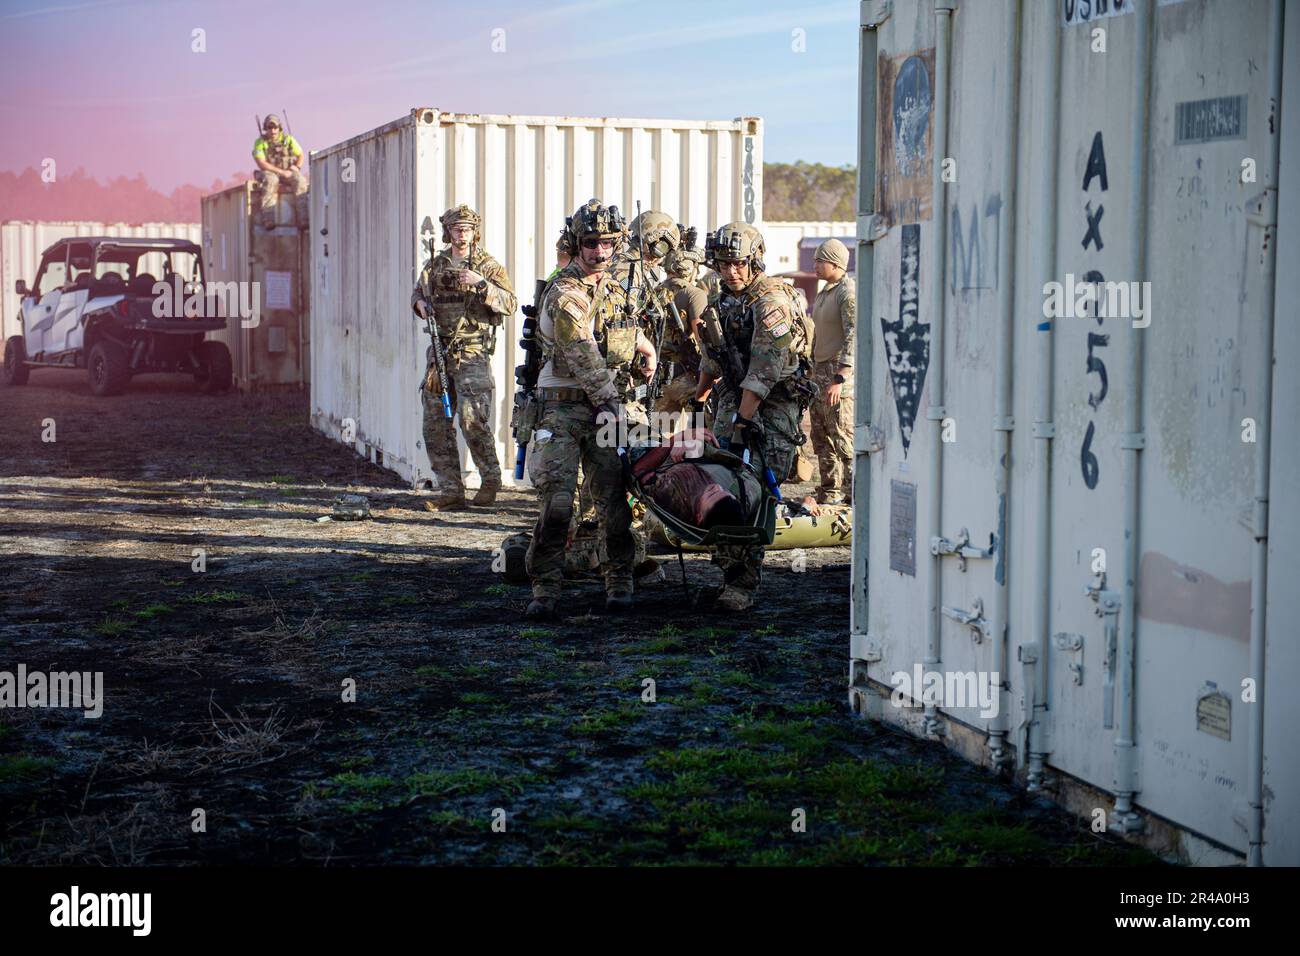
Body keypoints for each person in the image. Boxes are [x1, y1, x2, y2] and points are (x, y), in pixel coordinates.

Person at [524, 199, 656, 620]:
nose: (601, 252)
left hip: (606, 407)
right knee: (558, 503)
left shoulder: (614, 288)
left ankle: (620, 578)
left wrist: (642, 345)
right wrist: (610, 402)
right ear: (576, 244)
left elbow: (622, 330)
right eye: (591, 243)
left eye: (609, 243)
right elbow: (580, 351)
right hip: (564, 409)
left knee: (615, 502)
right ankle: (546, 588)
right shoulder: (565, 292)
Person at [693, 221, 814, 611]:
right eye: (723, 264)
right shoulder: (723, 300)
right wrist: (698, 398)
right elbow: (713, 358)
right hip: (734, 396)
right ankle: (730, 571)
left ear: (755, 259)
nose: (731, 271)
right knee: (723, 479)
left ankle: (744, 581)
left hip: (773, 401)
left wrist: (743, 423)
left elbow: (765, 369)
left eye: (738, 263)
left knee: (754, 484)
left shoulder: (772, 300)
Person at [412, 205, 518, 509]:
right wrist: (419, 304)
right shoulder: (436, 265)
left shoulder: (488, 266)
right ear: (448, 232)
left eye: (467, 229)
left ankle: (490, 480)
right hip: (440, 354)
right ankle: (450, 490)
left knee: (473, 421)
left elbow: (510, 303)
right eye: (456, 229)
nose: (462, 234)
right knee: (435, 424)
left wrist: (480, 284)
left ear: (475, 232)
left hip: (472, 353)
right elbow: (418, 293)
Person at [807, 238, 856, 508]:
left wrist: (841, 377)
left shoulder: (847, 293)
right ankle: (829, 492)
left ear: (835, 263)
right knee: (821, 436)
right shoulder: (825, 292)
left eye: (819, 260)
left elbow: (853, 335)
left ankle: (854, 494)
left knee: (842, 436)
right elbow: (817, 334)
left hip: (838, 373)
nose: (815, 265)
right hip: (820, 372)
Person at [251, 114, 308, 230]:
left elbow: (301, 154)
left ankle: (304, 219)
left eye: (275, 127)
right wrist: (281, 172)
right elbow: (261, 163)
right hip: (269, 172)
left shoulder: (288, 140)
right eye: (269, 128)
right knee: (271, 181)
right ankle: (268, 219)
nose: (272, 130)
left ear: (279, 128)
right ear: (265, 129)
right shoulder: (260, 143)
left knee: (300, 180)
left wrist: (297, 167)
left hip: (288, 171)